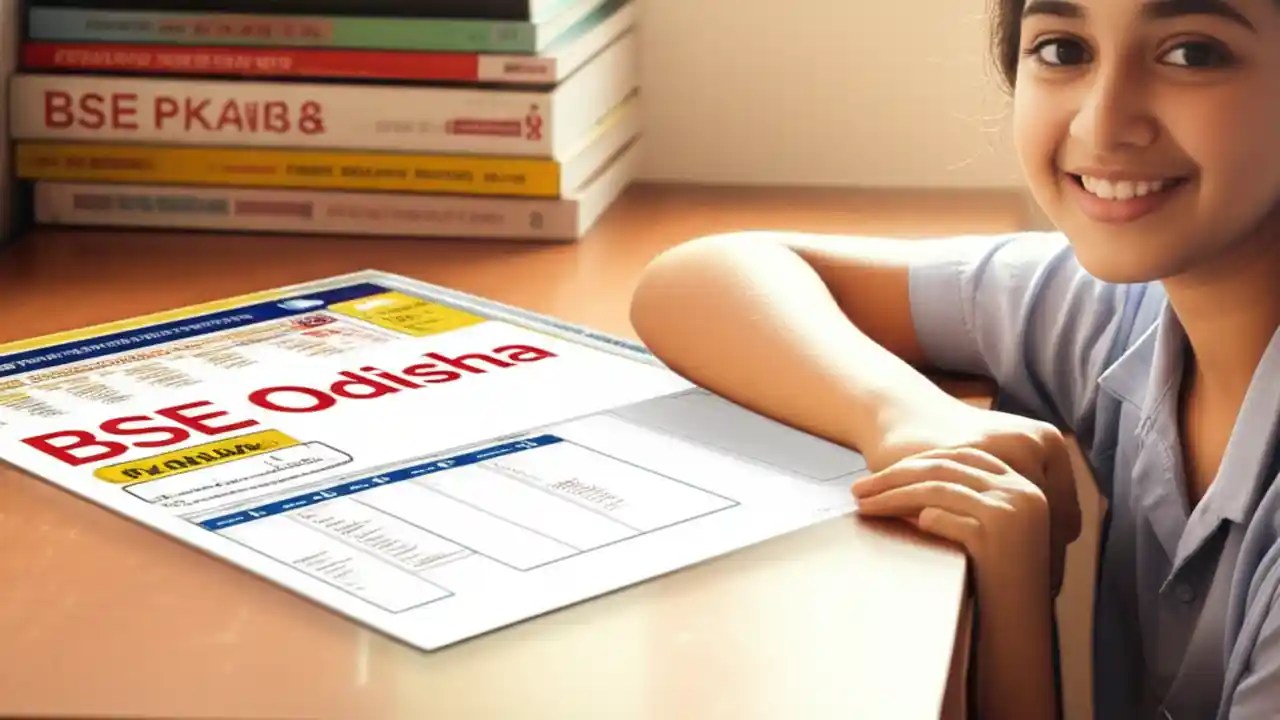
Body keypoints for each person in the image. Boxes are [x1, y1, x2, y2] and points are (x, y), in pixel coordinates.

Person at [627, 0, 1280, 718]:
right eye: (1063, 50)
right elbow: (701, 279)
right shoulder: (1115, 311)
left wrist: (1016, 616)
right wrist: (908, 418)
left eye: (1192, 54)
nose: (1101, 121)